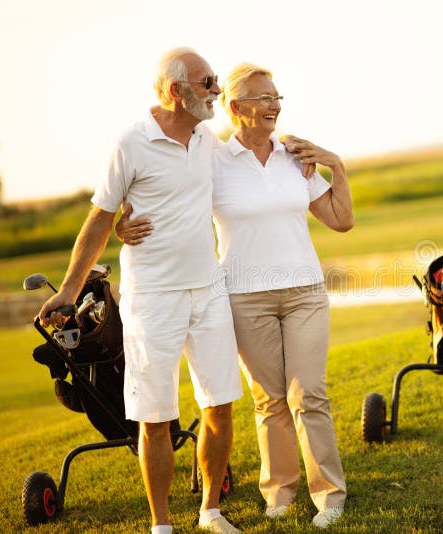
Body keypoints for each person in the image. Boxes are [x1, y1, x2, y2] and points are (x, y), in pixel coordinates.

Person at [117, 62, 353, 529]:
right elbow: (170, 203)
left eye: (277, 97)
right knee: (269, 401)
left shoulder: (295, 156)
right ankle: (280, 492)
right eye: (265, 98)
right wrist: (124, 226)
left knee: (309, 394)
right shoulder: (213, 160)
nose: (275, 105)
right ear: (236, 107)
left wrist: (336, 164)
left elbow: (341, 219)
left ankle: (329, 497)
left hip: (304, 291)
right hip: (244, 296)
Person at [38, 48, 244, 534]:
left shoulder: (205, 137)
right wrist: (68, 290)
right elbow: (100, 219)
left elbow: (247, 157)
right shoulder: (131, 142)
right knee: (154, 417)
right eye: (208, 80)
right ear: (177, 90)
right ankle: (162, 526)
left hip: (208, 291)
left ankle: (211, 511)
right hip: (153, 299)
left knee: (219, 404)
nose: (217, 89)